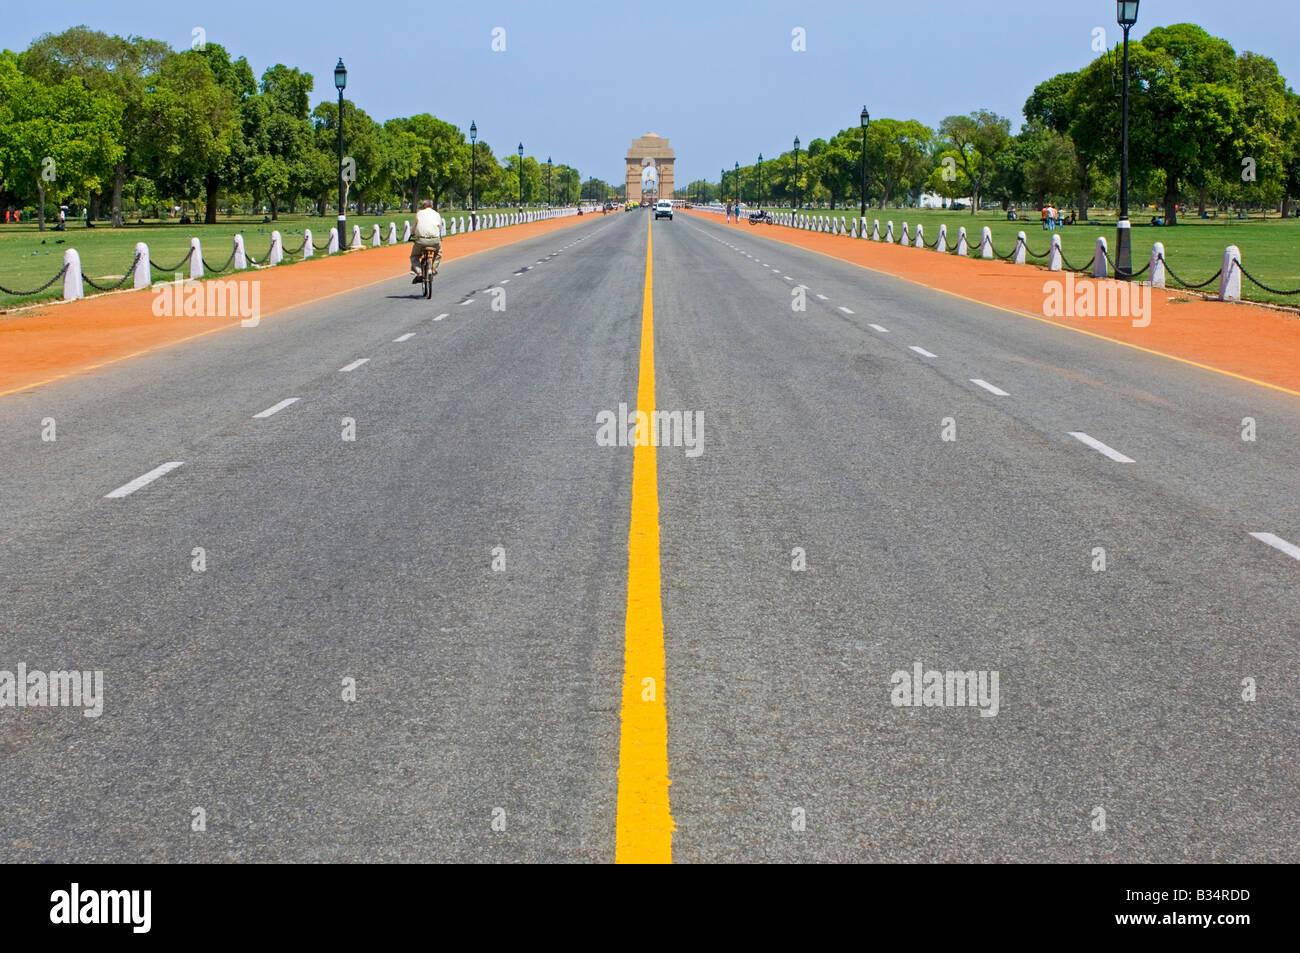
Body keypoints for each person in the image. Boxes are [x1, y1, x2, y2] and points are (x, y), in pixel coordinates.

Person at [408, 200, 443, 282]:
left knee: (414, 256)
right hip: (435, 240)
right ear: (432, 206)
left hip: (421, 240)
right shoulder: (437, 214)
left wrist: (412, 234)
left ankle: (419, 273)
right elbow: (440, 227)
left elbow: (413, 227)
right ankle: (434, 268)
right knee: (438, 253)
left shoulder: (419, 213)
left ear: (423, 206)